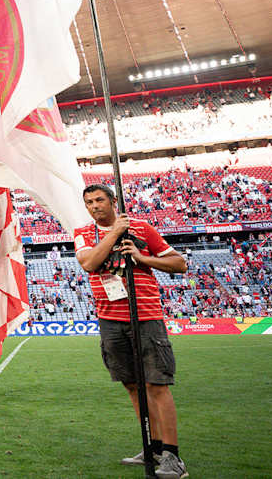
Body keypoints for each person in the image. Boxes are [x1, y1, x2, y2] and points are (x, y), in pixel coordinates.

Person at [73, 184, 188, 479]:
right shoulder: (83, 233)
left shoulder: (142, 228)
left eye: (99, 200)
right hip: (110, 319)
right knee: (132, 385)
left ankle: (173, 457)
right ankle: (152, 448)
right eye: (88, 202)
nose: (94, 206)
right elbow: (89, 263)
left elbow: (179, 263)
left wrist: (143, 258)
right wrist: (114, 233)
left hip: (145, 317)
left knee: (156, 385)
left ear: (113, 201)